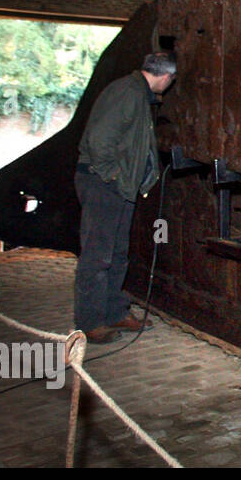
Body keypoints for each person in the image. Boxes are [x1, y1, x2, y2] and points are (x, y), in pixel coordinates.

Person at [73, 52, 176, 343]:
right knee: (97, 254)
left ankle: (115, 312)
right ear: (166, 77)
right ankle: (90, 322)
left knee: (116, 252)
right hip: (102, 183)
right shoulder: (127, 93)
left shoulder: (136, 92)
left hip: (117, 185)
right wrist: (115, 175)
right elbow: (98, 141)